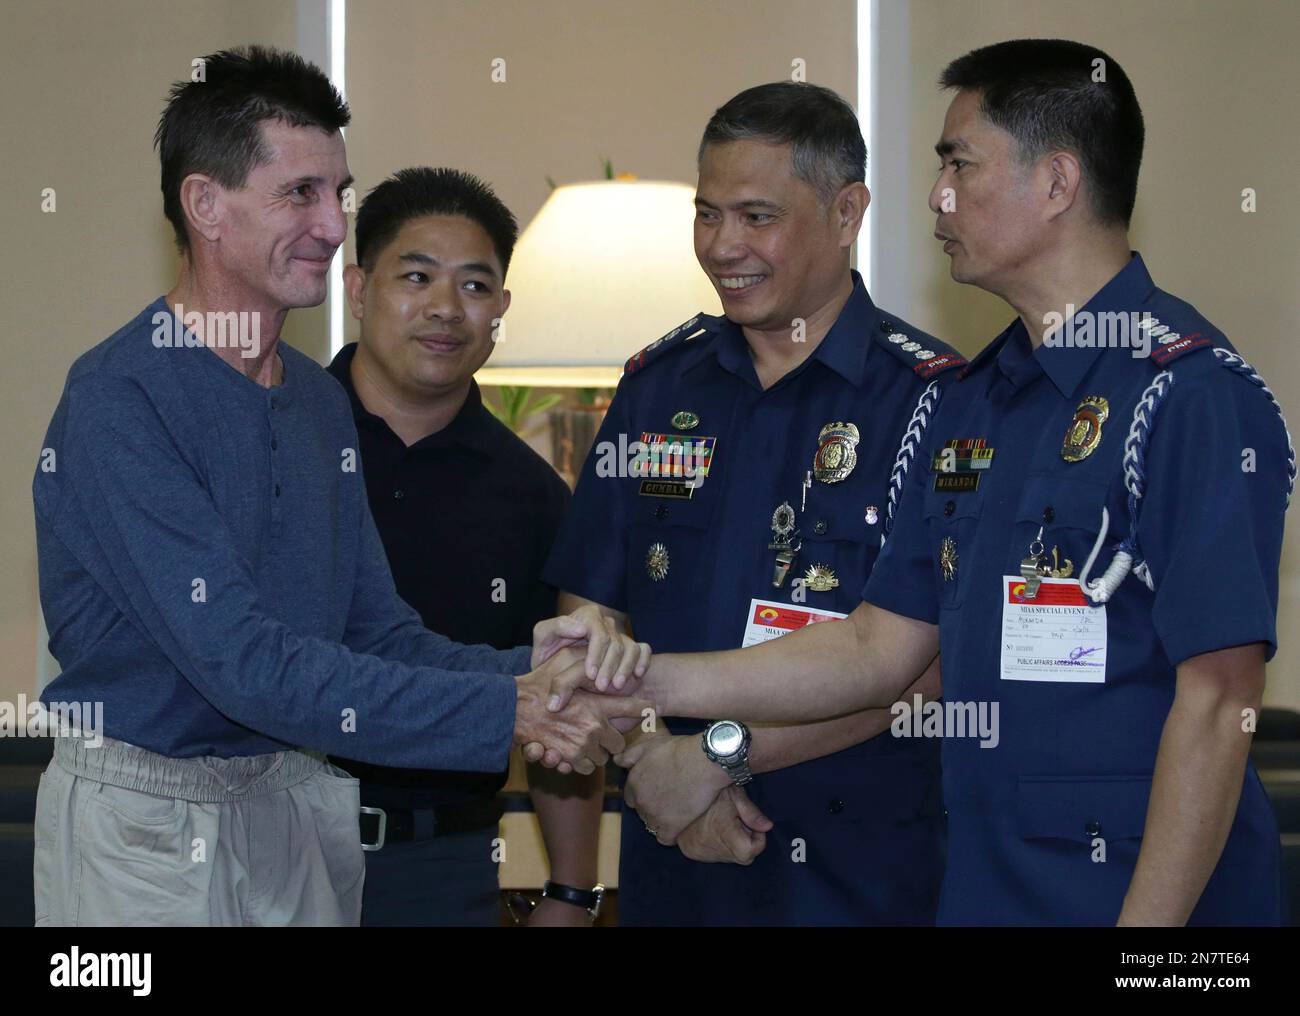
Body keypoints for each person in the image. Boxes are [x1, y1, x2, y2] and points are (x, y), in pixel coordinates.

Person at [553, 40, 1292, 927]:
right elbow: (876, 651)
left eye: (959, 164)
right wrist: (641, 687)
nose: (937, 195)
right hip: (984, 890)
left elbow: (1218, 707)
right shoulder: (972, 403)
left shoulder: (1185, 394)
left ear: (1057, 183)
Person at [31, 46, 647, 928]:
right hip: (148, 833)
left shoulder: (318, 401)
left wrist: (535, 671)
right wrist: (506, 708)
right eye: (300, 194)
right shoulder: (119, 401)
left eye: (339, 194)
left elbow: (373, 629)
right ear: (205, 204)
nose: (331, 225)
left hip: (292, 805)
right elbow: (241, 664)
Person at [541, 82, 964, 926]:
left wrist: (720, 759)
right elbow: (591, 615)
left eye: (757, 217)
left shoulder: (935, 401)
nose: (723, 246)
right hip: (675, 850)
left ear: (847, 213)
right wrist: (655, 758)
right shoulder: (659, 389)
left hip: (860, 871)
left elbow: (938, 666)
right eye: (707, 214)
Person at [327, 166, 605, 926]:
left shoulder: (536, 496)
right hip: (276, 845)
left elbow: (558, 706)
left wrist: (573, 891)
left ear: (501, 310)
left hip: (443, 868)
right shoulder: (281, 446)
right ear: (358, 289)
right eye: (416, 276)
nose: (446, 309)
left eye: (475, 287)